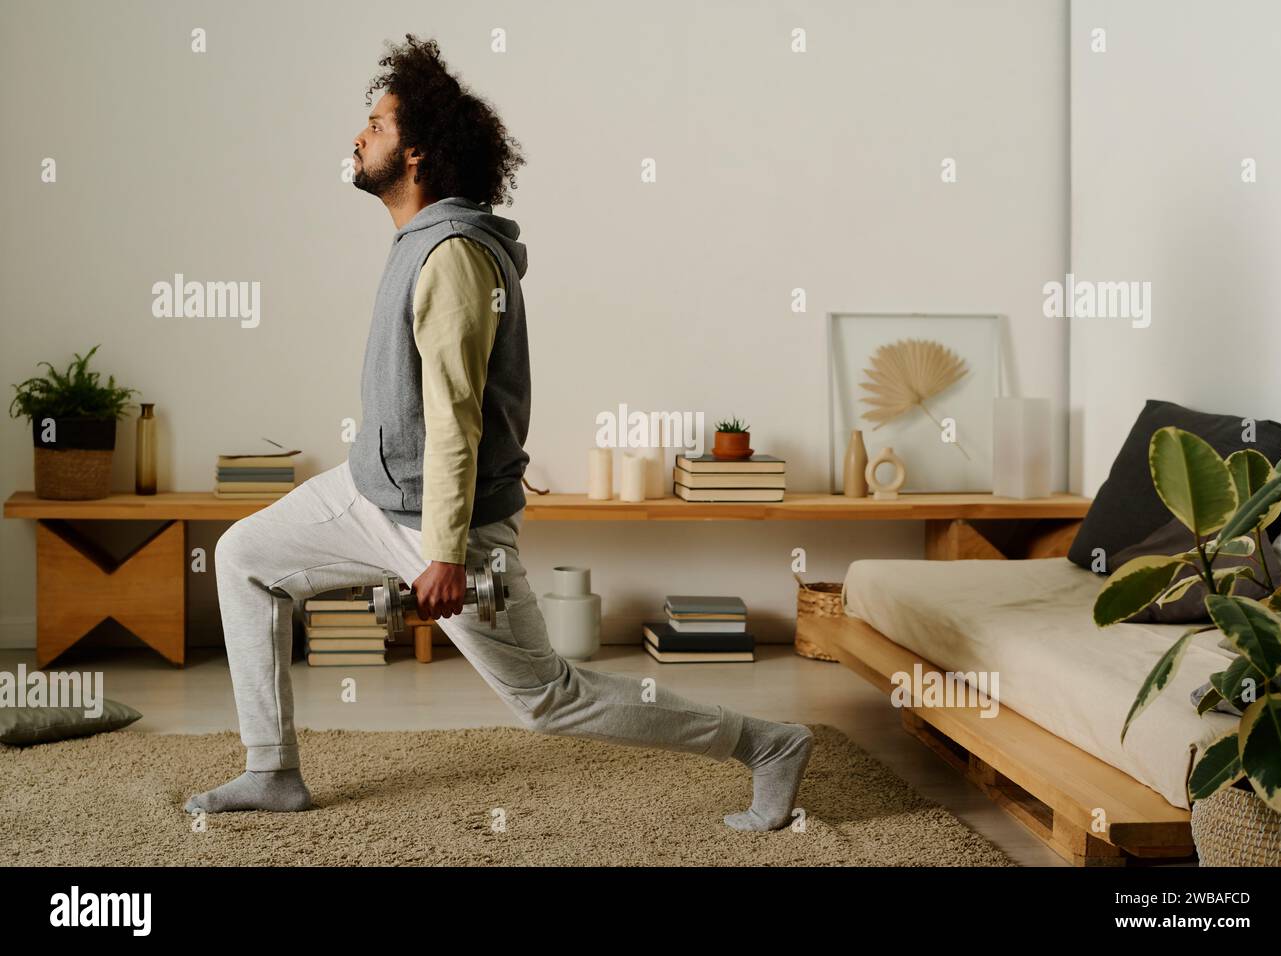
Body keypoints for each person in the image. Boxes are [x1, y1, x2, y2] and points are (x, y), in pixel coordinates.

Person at [184, 33, 813, 832]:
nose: (357, 136)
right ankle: (270, 770)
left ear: (415, 154)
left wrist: (444, 552)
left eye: (374, 125)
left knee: (549, 698)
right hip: (372, 494)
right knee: (242, 556)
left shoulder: (451, 257)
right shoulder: (421, 242)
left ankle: (766, 744)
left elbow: (456, 418)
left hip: (444, 523)